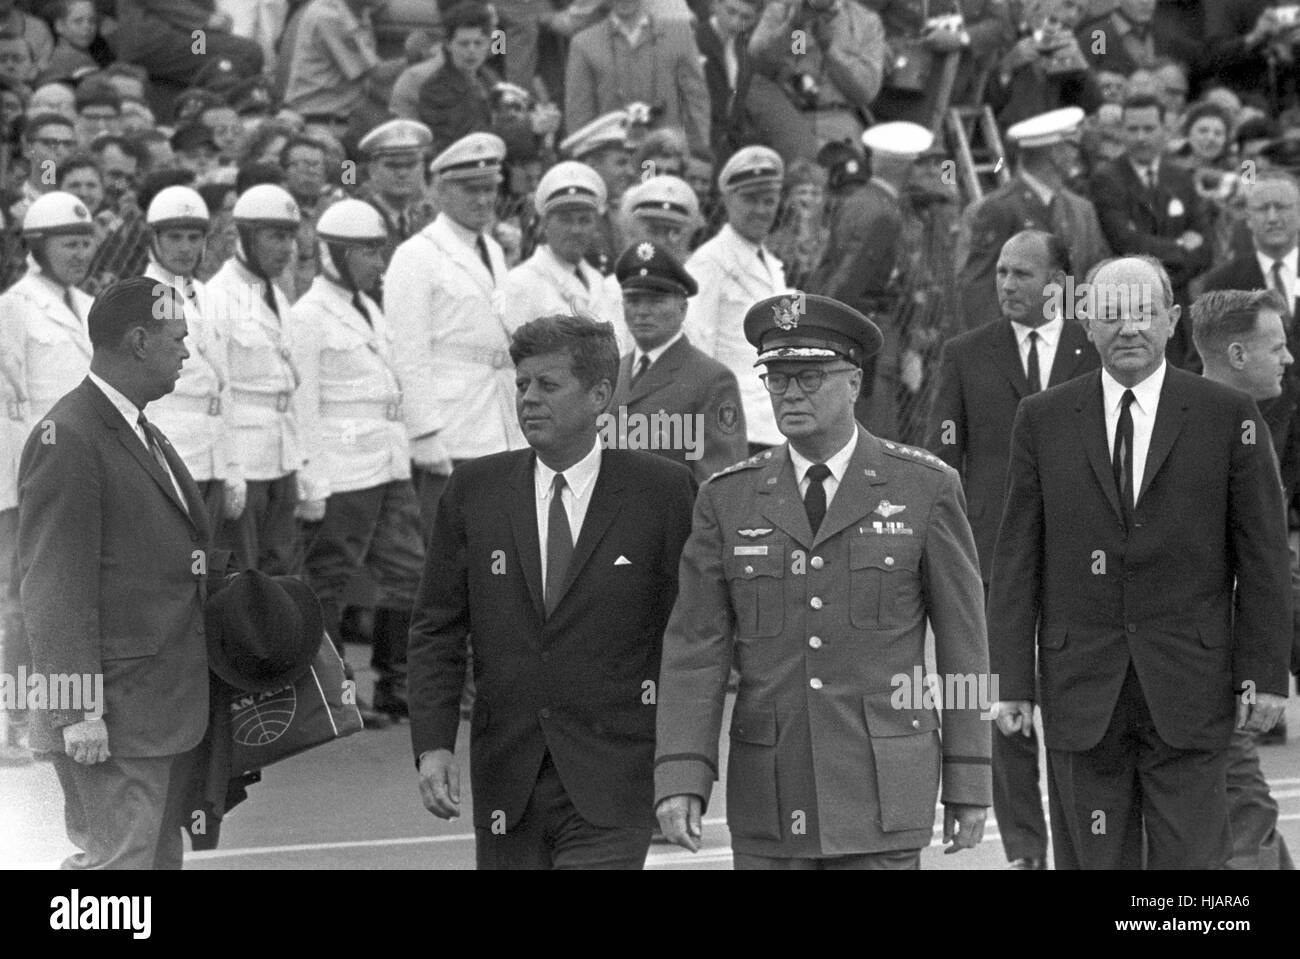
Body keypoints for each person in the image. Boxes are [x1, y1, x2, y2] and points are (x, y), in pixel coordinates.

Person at [654, 292, 991, 868]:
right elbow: (696, 649)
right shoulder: (727, 499)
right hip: (772, 792)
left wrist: (970, 779)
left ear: (854, 382)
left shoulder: (923, 488)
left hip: (881, 795)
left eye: (809, 376)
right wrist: (682, 771)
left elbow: (965, 650)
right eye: (777, 378)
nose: (790, 393)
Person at [986, 254, 1292, 869]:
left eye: (1144, 313)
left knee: (1189, 874)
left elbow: (1262, 560)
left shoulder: (1228, 417)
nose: (1129, 328)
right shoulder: (1042, 420)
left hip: (1189, 688)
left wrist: (1264, 673)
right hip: (1081, 690)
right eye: (1111, 314)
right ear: (1087, 324)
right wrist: (1010, 682)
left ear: (1171, 319)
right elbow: (1017, 559)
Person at [409, 312, 697, 869]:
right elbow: (437, 628)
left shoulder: (662, 492)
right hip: (506, 782)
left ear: (599, 396)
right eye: (521, 385)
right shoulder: (474, 491)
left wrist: (683, 765)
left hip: (614, 776)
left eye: (547, 385)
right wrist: (434, 743)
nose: (528, 399)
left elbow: (689, 637)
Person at [17, 276, 210, 869]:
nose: (186, 352)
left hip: (160, 707)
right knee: (120, 866)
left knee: (152, 861)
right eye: (176, 338)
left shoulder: (135, 427)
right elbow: (53, 586)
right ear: (138, 341)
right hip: (116, 714)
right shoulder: (70, 435)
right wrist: (76, 712)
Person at [925, 229, 1100, 870]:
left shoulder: (1096, 345)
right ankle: (1026, 850)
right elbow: (942, 458)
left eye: (1022, 274)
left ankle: (1083, 845)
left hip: (1086, 555)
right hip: (994, 555)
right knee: (1006, 707)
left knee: (1080, 707)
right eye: (1000, 272)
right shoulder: (967, 354)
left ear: (1059, 282)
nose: (1006, 285)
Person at [291, 199, 425, 723]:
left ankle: (398, 683)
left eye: (379, 249)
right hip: (340, 464)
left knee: (407, 570)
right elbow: (304, 405)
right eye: (366, 251)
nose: (378, 261)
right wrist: (312, 477)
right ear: (335, 255)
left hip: (388, 459)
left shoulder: (369, 307)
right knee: (332, 579)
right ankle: (335, 694)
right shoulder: (307, 315)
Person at [1191, 287, 1298, 870]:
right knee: (1244, 812)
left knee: (1241, 812)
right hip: (1205, 669)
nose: (1287, 358)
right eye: (1276, 346)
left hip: (1208, 665)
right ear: (1236, 354)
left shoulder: (1239, 421)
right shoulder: (1212, 430)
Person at [384, 132, 525, 537]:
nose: (483, 201)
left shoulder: (493, 250)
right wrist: (423, 432)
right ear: (441, 191)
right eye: (471, 190)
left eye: (490, 190)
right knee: (449, 547)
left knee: (496, 543)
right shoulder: (417, 255)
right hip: (451, 424)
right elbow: (407, 351)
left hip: (497, 416)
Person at [0, 191, 96, 759]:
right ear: (38, 247)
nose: (79, 252)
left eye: (85, 241)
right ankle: (11, 718)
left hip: (79, 475)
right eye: (68, 242)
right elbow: (11, 408)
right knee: (21, 601)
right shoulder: (14, 307)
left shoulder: (86, 303)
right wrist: (24, 485)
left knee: (71, 600)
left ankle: (60, 716)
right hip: (31, 478)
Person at [207, 183, 306, 575]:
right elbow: (219, 392)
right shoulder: (219, 296)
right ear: (245, 237)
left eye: (291, 237)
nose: (287, 248)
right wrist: (229, 470)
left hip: (281, 454)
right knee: (242, 573)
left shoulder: (276, 296)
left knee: (280, 570)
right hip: (244, 458)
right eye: (275, 236)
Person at [813, 121, 930, 440]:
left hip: (861, 334)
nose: (925, 172)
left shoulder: (863, 201)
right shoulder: (882, 211)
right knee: (872, 437)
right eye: (921, 163)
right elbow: (848, 282)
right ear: (907, 168)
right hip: (869, 336)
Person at [140, 185, 245, 536]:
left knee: (208, 567)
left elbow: (224, 386)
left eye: (194, 237)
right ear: (154, 239)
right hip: (169, 455)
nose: (185, 248)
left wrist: (232, 466)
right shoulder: (140, 297)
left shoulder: (210, 296)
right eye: (174, 237)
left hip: (212, 455)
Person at [956, 106, 1111, 333]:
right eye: (1072, 147)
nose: (1076, 156)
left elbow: (1092, 276)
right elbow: (979, 289)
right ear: (1056, 154)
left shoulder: (1080, 210)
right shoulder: (1001, 208)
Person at [1089, 93, 1211, 368]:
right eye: (1133, 129)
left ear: (1164, 131)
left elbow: (1206, 251)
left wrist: (1163, 255)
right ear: (1121, 132)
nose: (1141, 137)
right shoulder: (1107, 179)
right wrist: (1181, 245)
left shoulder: (1180, 178)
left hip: (1177, 309)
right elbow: (1125, 242)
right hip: (1129, 310)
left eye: (1149, 128)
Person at [608, 240, 747, 479]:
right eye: (633, 301)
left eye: (656, 301)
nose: (642, 311)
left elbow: (720, 483)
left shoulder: (711, 380)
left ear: (683, 309)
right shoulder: (613, 373)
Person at [685, 146, 788, 452]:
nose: (760, 210)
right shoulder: (710, 262)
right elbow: (696, 345)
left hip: (773, 418)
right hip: (734, 421)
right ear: (728, 200)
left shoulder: (772, 264)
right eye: (750, 199)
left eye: (768, 200)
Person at [564, 0, 712, 160]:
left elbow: (697, 104)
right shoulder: (584, 44)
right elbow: (579, 120)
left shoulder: (679, 34)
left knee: (651, 176)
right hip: (613, 163)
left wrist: (697, 156)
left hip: (664, 161)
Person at [499, 161, 626, 347]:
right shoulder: (520, 283)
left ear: (596, 225)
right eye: (565, 220)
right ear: (545, 224)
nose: (576, 230)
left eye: (584, 220)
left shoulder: (600, 284)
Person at [744, 0, 886, 162]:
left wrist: (829, 50)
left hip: (838, 122)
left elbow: (867, 91)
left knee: (845, 177)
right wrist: (791, 27)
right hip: (786, 118)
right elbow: (754, 67)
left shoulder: (866, 21)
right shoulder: (783, 10)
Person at [113, 0, 263, 89]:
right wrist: (206, 19)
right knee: (247, 52)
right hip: (156, 38)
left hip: (182, 34)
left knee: (234, 50)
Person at [558, 111, 637, 275]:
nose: (630, 172)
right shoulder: (567, 214)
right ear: (592, 164)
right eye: (621, 163)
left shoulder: (612, 215)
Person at [417, 2, 499, 154]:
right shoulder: (435, 89)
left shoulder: (490, 79)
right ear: (448, 44)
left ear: (488, 43)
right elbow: (467, 138)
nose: (471, 51)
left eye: (478, 43)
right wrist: (524, 129)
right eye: (463, 44)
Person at [695, 0, 760, 166]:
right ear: (715, 5)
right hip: (696, 144)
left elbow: (737, 106)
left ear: (754, 20)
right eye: (731, 11)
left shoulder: (744, 54)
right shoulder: (693, 39)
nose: (736, 22)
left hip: (727, 147)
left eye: (746, 17)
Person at [618, 174, 701, 264]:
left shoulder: (698, 276)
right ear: (631, 232)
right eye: (653, 231)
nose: (661, 242)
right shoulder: (615, 278)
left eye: (674, 233)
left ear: (688, 237)